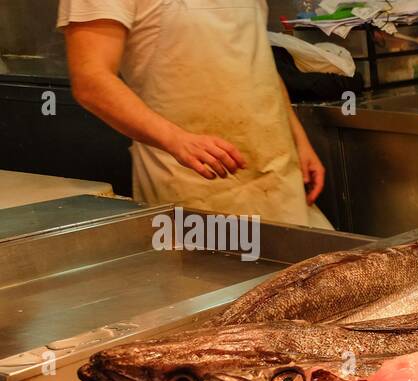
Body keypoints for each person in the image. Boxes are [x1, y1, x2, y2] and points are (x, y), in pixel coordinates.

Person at [59, 0, 332, 228]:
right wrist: (177, 140)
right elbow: (91, 81)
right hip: (193, 183)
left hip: (278, 175)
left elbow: (257, 59)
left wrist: (298, 139)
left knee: (314, 274)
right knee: (223, 276)